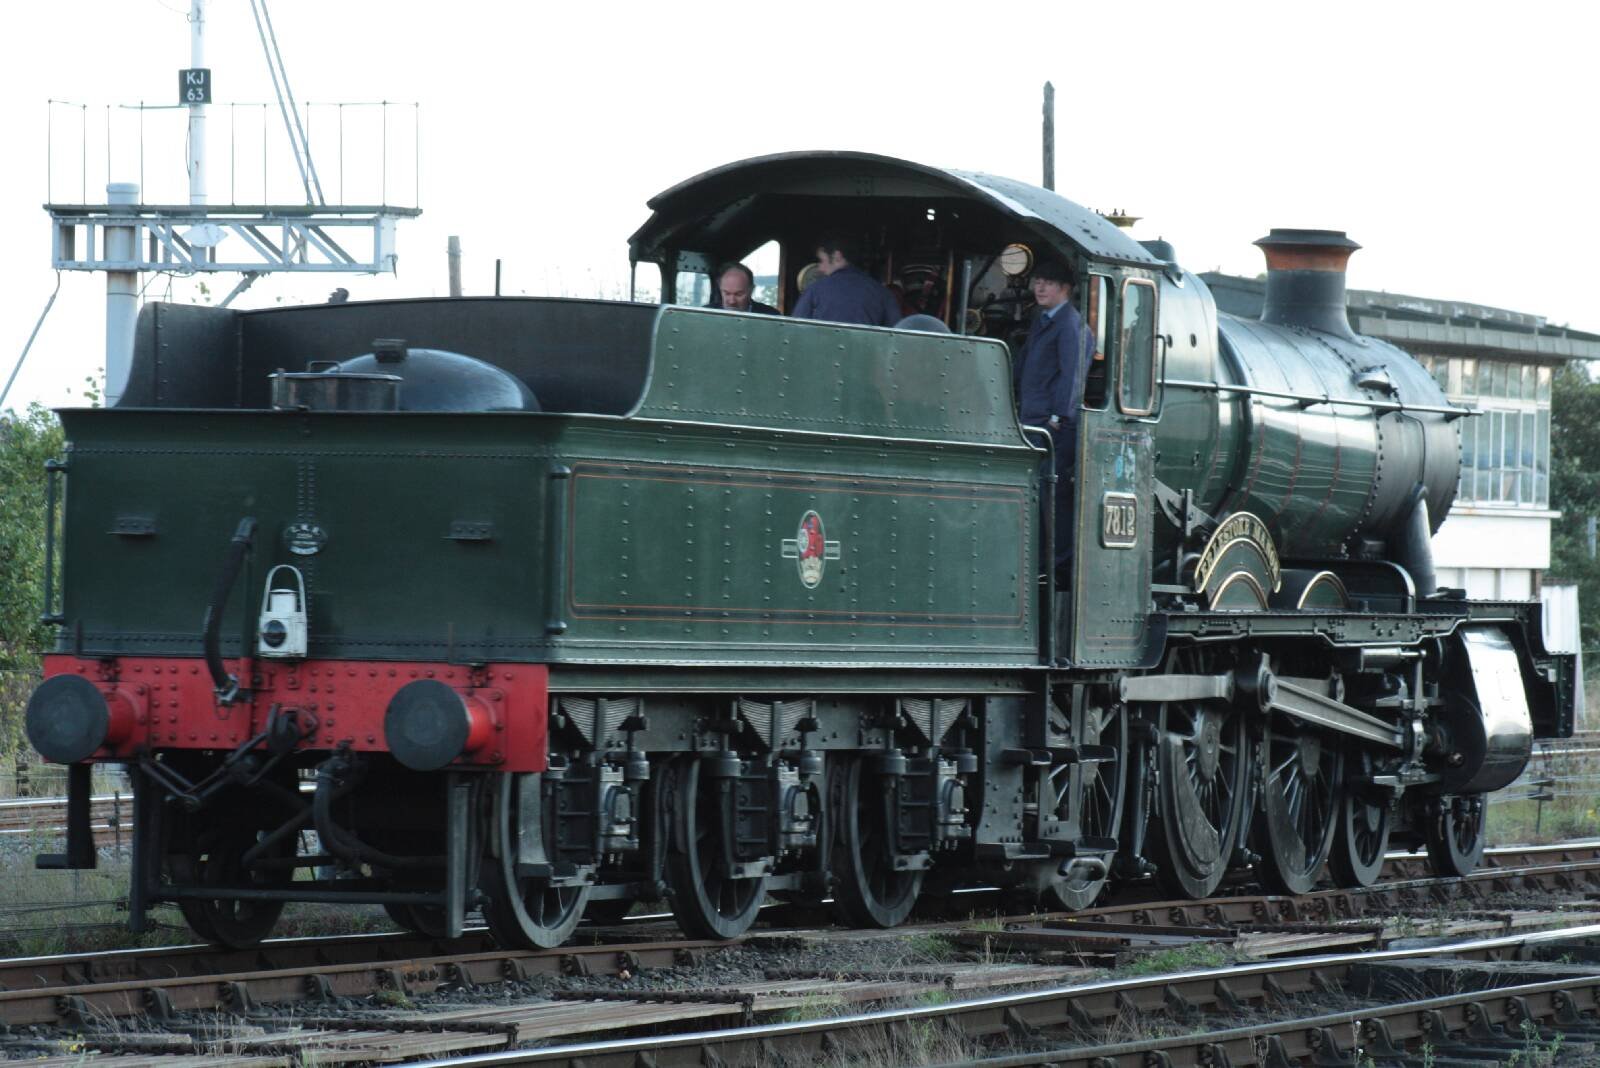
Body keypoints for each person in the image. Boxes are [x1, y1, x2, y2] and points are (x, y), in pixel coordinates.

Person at [1014, 259, 1091, 584]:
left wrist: (1059, 415)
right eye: (1037, 281)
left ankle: (1056, 563)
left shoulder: (1069, 325)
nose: (1039, 288)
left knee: (1051, 492)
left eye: (1047, 282)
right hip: (1032, 417)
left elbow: (1071, 373)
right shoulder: (1043, 321)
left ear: (1065, 289)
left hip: (1051, 424)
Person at [791, 233, 902, 326]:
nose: (820, 268)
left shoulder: (814, 290)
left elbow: (794, 330)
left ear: (837, 257)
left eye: (821, 261)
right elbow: (896, 335)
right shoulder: (883, 294)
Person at [707, 262, 779, 315]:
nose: (732, 301)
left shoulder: (770, 316)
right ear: (720, 288)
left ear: (751, 290)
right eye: (727, 293)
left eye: (739, 294)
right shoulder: (705, 315)